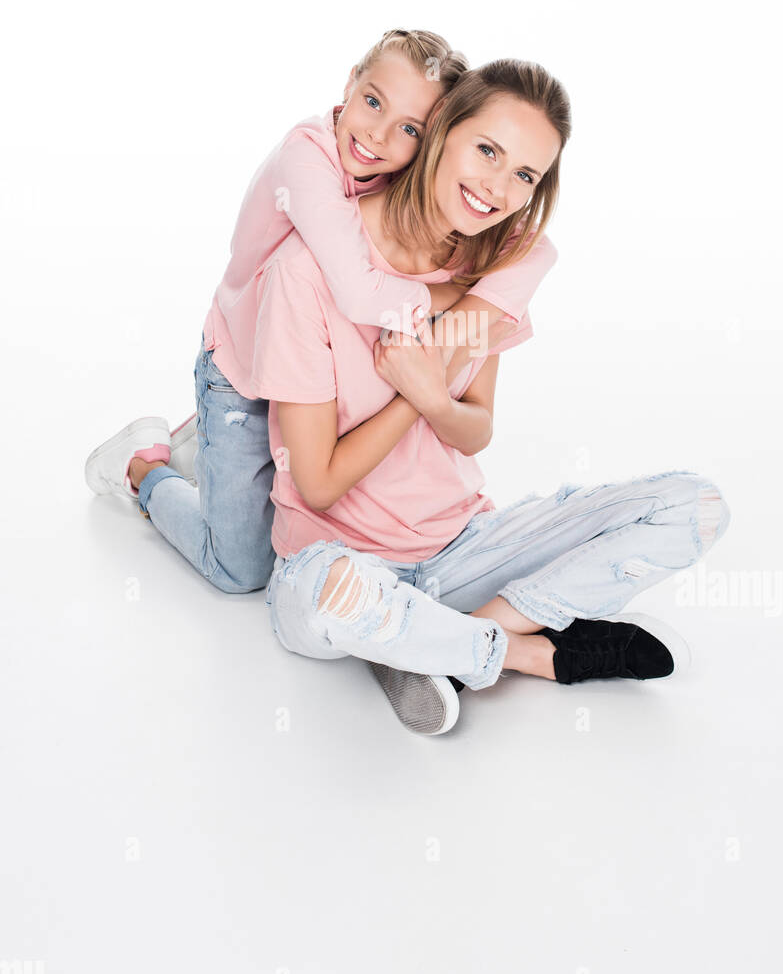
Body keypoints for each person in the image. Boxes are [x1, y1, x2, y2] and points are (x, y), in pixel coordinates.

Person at [257, 59, 731, 734]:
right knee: (332, 597)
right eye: (487, 150)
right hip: (333, 559)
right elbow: (320, 483)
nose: (497, 187)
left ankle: (430, 642)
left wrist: (434, 396)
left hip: (464, 546)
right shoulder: (304, 273)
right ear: (444, 129)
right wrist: (410, 396)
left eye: (524, 175)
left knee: (697, 507)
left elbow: (474, 429)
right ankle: (523, 653)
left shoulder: (488, 268)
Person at [85, 30, 557, 591]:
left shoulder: (415, 186)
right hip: (239, 369)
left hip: (308, 376)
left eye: (410, 128)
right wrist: (456, 304)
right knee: (241, 569)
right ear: (349, 82)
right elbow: (358, 294)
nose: (380, 134)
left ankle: (207, 454)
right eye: (373, 101)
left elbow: (537, 248)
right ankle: (147, 467)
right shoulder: (307, 156)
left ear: (430, 139)